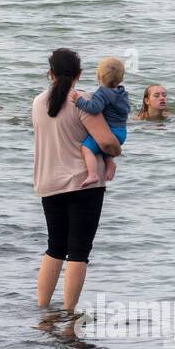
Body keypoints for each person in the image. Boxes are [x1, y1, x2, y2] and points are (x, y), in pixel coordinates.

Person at [33, 47, 121, 312]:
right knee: (79, 251)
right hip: (84, 185)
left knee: (55, 247)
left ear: (50, 73)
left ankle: (43, 310)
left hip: (49, 183)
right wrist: (116, 150)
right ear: (79, 75)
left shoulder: (37, 102)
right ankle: (70, 312)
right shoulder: (83, 101)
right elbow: (106, 141)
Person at [73, 56, 130, 187]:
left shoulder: (102, 93)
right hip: (121, 132)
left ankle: (92, 174)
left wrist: (79, 101)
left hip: (110, 133)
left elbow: (94, 108)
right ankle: (110, 164)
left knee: (86, 148)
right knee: (103, 148)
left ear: (99, 76)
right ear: (121, 78)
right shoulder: (122, 93)